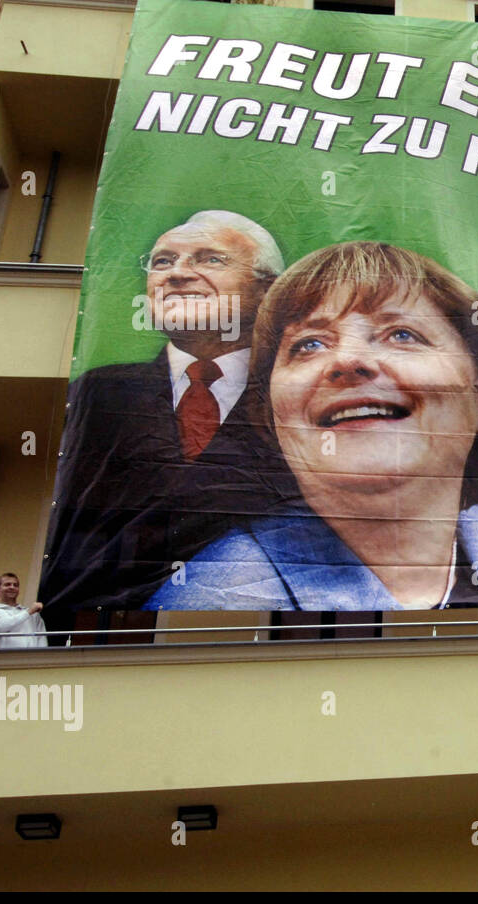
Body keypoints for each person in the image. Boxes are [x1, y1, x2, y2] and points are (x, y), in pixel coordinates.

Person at [147, 241, 478, 610]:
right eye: (309, 345)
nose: (349, 360)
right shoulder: (218, 593)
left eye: (402, 334)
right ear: (273, 419)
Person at [40, 210, 293, 617]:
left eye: (210, 259)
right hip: (108, 639)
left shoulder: (302, 399)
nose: (176, 274)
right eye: (163, 261)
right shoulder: (98, 395)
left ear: (268, 290)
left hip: (258, 638)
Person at [0, 573, 48, 649]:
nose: (12, 587)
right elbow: (2, 626)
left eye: (15, 585)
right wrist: (28, 612)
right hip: (0, 659)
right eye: (7, 584)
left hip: (28, 659)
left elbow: (42, 640)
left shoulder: (33, 615)